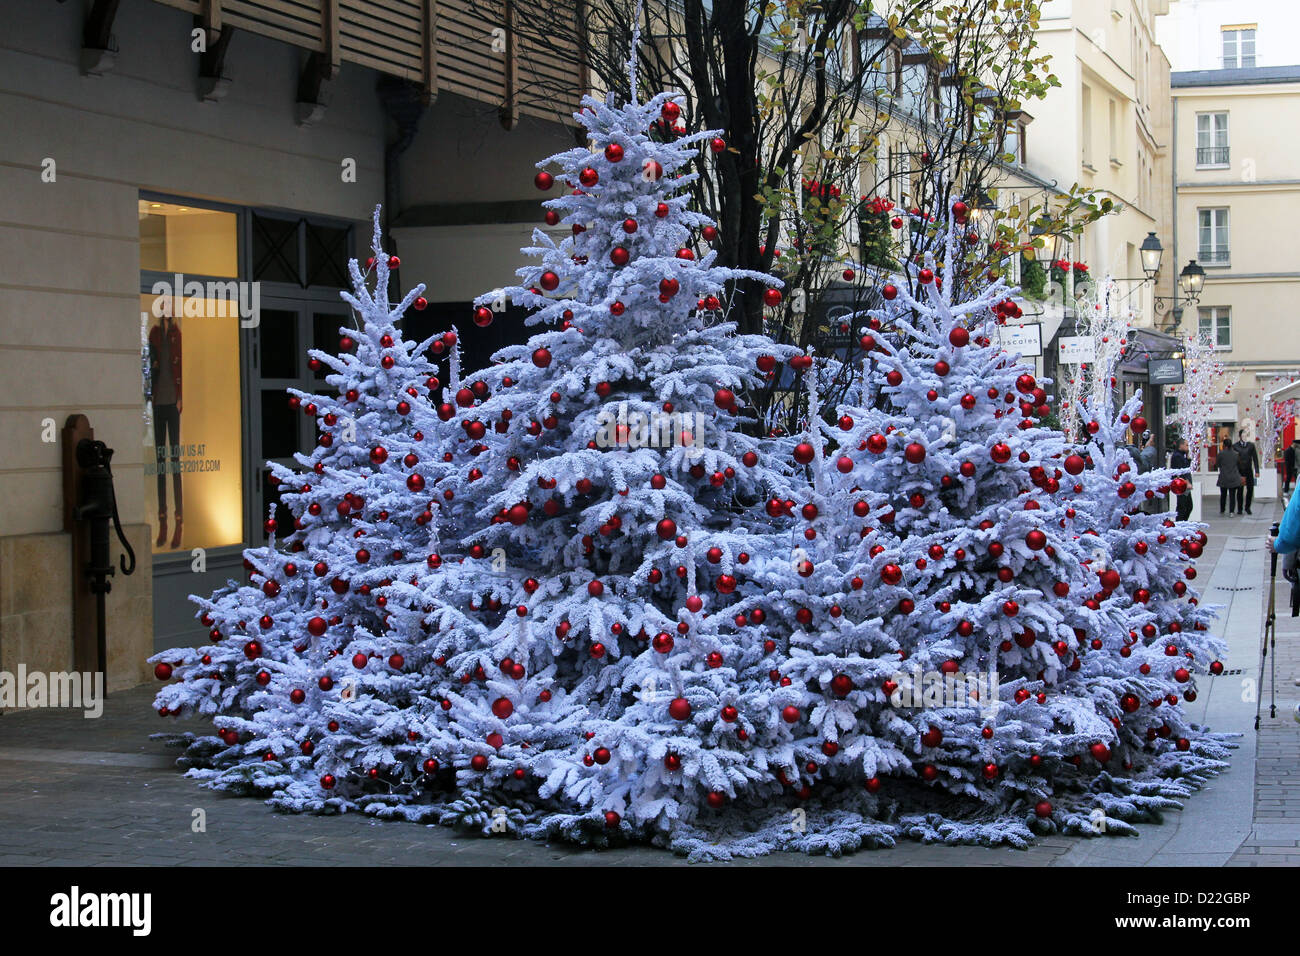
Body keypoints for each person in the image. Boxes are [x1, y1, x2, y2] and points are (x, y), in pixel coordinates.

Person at [149, 305, 183, 549]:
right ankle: (163, 520)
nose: (166, 313)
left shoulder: (176, 334)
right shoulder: (153, 333)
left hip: (172, 402)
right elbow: (150, 365)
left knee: (175, 461)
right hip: (158, 401)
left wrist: (181, 396)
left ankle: (179, 521)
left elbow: (180, 367)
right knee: (161, 462)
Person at [1234, 429, 1261, 515]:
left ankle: (1247, 507)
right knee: (1240, 490)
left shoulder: (1251, 446)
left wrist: (1257, 470)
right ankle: (1239, 508)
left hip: (1248, 470)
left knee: (1250, 489)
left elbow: (1255, 458)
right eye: (1243, 435)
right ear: (1240, 436)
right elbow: (1234, 459)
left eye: (1246, 435)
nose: (1244, 436)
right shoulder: (1235, 446)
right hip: (1240, 471)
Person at [1216, 437, 1243, 515]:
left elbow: (1218, 465)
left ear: (1224, 445)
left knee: (1223, 495)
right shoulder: (1236, 454)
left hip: (1224, 476)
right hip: (1234, 476)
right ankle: (1231, 511)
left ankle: (1222, 509)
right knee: (1232, 495)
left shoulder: (1220, 454)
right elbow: (1239, 465)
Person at [1170, 438, 1194, 522]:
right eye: (1186, 445)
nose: (1188, 447)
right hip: (1181, 485)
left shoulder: (1181, 455)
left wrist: (1187, 456)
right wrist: (1187, 482)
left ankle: (1183, 522)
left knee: (1187, 506)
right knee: (1183, 507)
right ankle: (1180, 523)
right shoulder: (1177, 456)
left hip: (1183, 484)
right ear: (1181, 445)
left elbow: (1186, 467)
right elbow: (1181, 471)